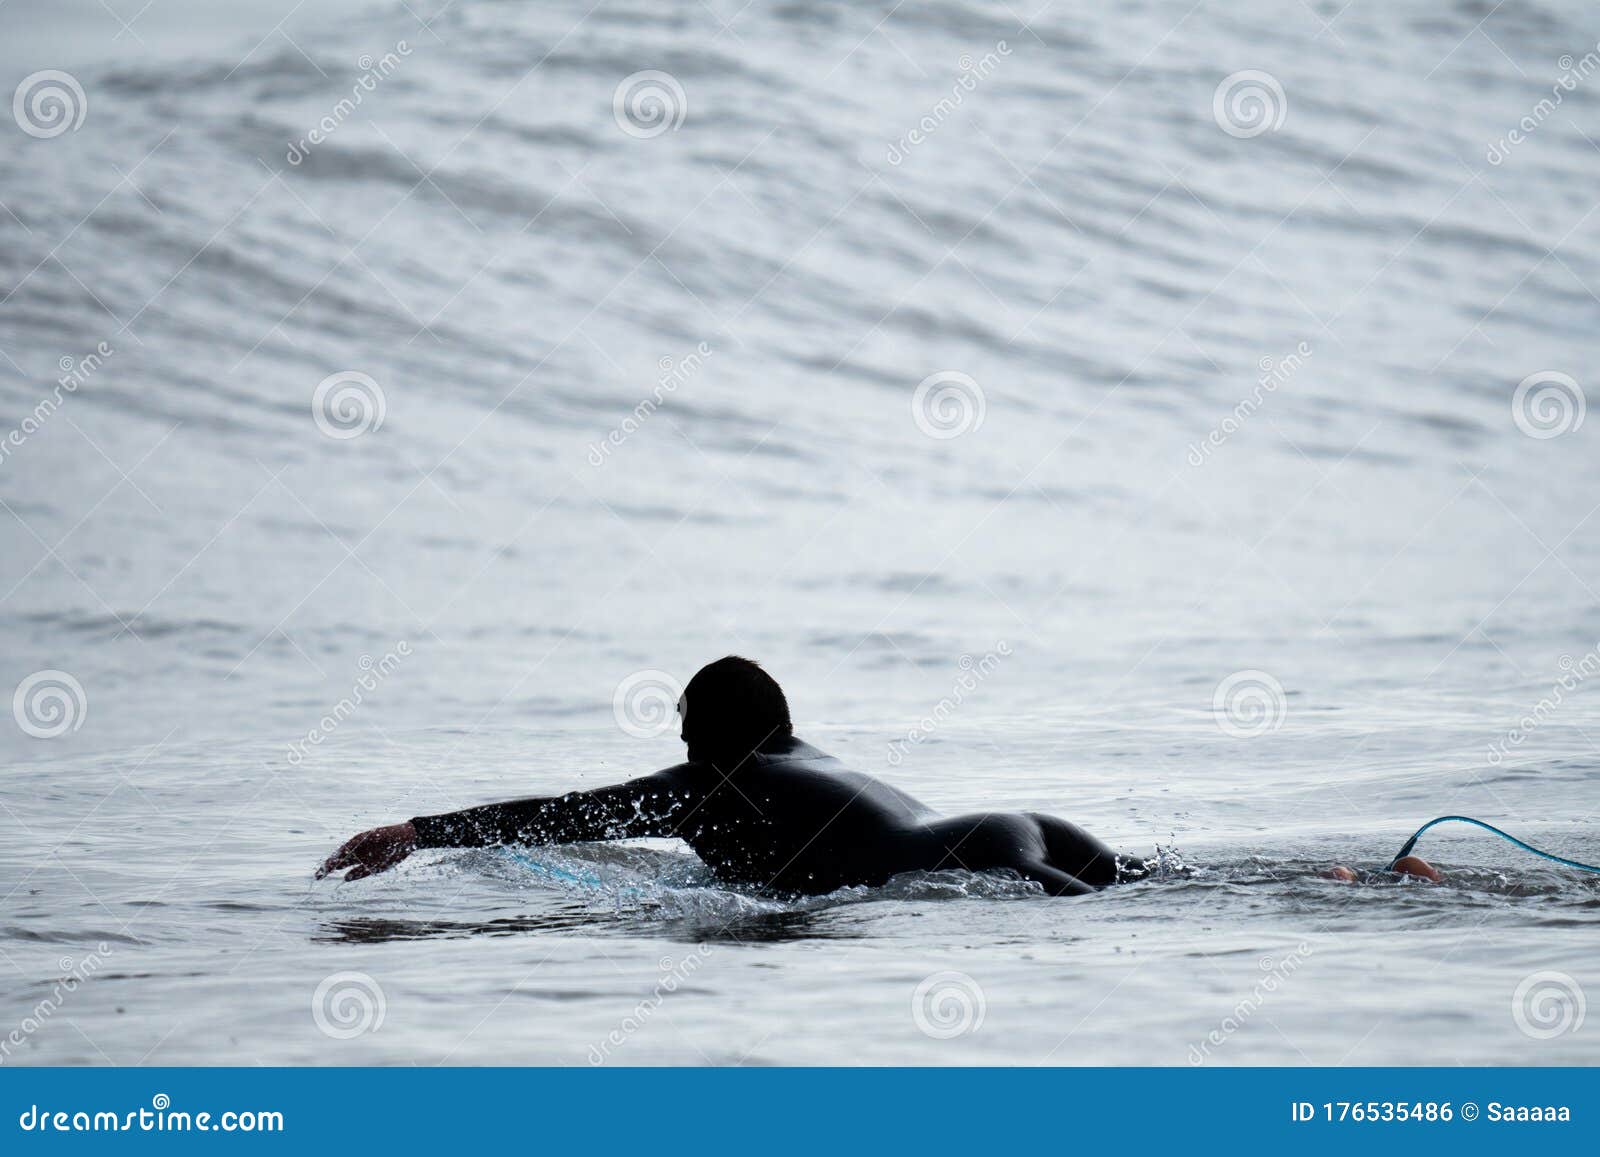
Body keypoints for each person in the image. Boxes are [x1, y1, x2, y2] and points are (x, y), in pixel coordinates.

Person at [318, 655, 1147, 896]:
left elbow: (566, 814)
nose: (678, 751)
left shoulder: (715, 781)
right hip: (1023, 825)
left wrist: (418, 831)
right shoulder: (806, 759)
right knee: (1148, 898)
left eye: (684, 733)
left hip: (968, 861)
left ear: (704, 739)